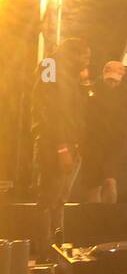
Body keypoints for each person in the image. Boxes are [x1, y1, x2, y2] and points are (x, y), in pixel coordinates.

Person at [32, 36, 91, 247]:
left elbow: (76, 112)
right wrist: (61, 146)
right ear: (73, 54)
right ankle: (45, 246)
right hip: (53, 145)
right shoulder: (50, 66)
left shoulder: (72, 77)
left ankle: (57, 244)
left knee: (61, 199)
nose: (87, 61)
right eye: (84, 56)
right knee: (49, 198)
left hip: (70, 143)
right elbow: (48, 109)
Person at [82, 61, 127, 204]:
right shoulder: (94, 91)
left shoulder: (124, 93)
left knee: (108, 182)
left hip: (111, 143)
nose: (112, 83)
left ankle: (104, 218)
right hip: (95, 144)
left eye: (114, 80)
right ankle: (99, 219)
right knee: (97, 185)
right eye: (109, 80)